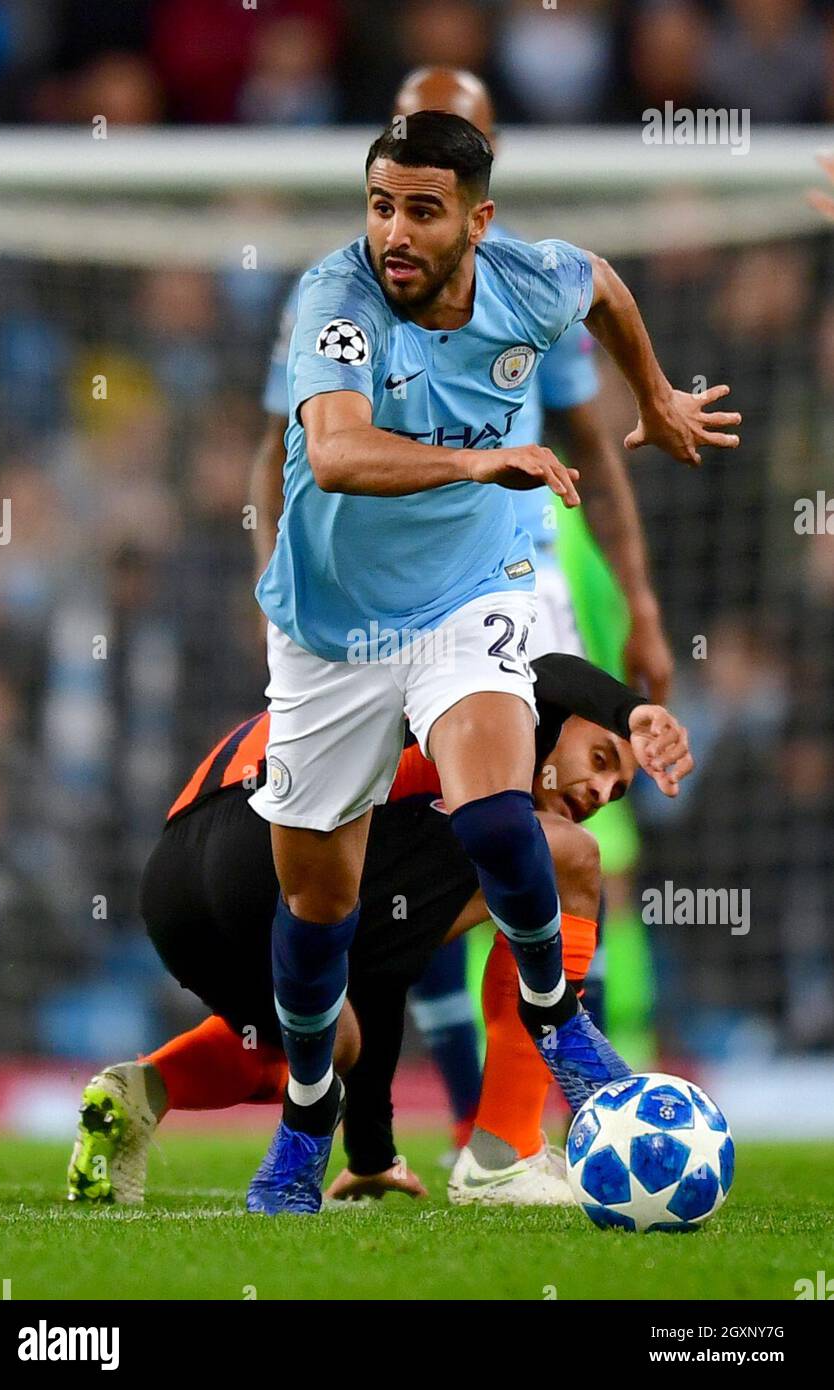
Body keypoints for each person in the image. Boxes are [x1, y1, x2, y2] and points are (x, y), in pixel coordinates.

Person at [249, 108, 738, 1214]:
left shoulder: (532, 278)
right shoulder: (336, 301)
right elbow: (329, 453)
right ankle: (305, 1120)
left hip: (470, 595)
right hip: (330, 630)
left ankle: (559, 1025)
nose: (394, 234)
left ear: (478, 218)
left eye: (421, 210)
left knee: (492, 811)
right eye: (380, 206)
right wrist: (484, 460)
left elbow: (605, 283)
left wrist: (653, 396)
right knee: (316, 904)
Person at [66, 653, 692, 1207]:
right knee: (573, 856)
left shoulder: (415, 759)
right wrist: (633, 708)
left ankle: (145, 1088)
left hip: (178, 890)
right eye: (601, 759)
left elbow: (375, 969)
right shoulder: (492, 706)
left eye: (616, 790)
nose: (600, 789)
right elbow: (550, 669)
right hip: (262, 841)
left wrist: (372, 1156)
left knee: (336, 1038)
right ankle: (507, 1155)